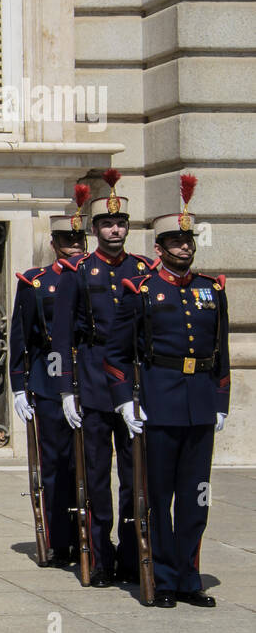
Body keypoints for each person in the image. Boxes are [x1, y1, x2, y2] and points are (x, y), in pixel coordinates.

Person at [104, 175, 228, 608]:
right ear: (159, 248)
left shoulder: (211, 291)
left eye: (188, 241)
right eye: (175, 242)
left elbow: (222, 352)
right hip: (157, 401)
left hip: (198, 405)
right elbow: (116, 354)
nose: (184, 248)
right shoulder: (140, 291)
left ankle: (189, 577)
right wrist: (125, 401)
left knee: (196, 498)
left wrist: (221, 401)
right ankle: (161, 577)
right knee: (157, 498)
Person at [50, 169, 152, 587]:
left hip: (132, 383)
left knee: (135, 477)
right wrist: (64, 389)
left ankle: (132, 555)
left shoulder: (144, 269)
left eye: (121, 223)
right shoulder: (79, 272)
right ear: (93, 229)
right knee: (94, 476)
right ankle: (99, 553)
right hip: (91, 381)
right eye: (108, 223)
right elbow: (60, 336)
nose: (115, 229)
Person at [9, 185, 90, 568]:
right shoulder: (35, 282)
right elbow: (20, 337)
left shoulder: (98, 277)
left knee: (91, 465)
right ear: (54, 242)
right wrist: (19, 385)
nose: (73, 244)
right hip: (48, 381)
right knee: (56, 465)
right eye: (65, 239)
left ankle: (93, 539)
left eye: (78, 237)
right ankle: (61, 539)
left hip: (92, 380)